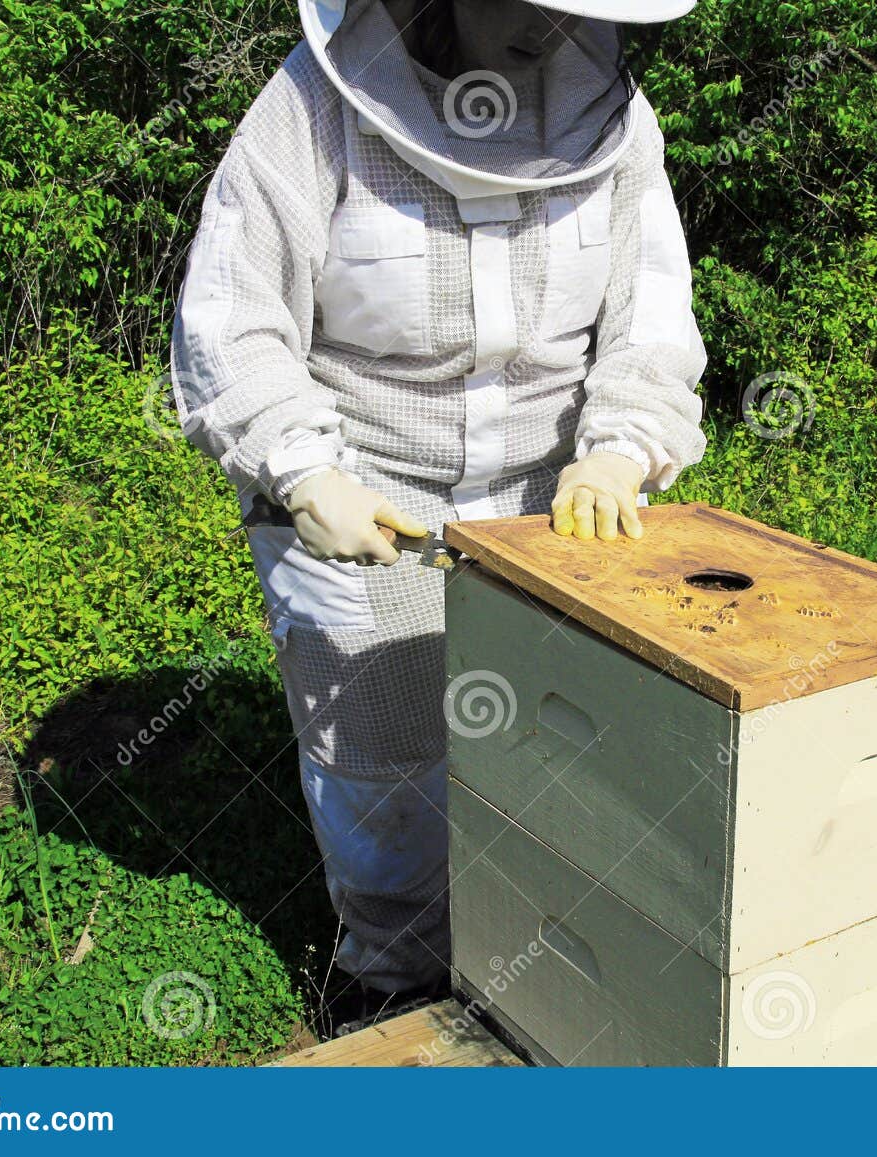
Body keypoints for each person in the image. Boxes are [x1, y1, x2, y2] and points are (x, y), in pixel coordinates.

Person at [169, 0, 707, 1027]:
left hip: (547, 506)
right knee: (382, 757)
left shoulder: (615, 118)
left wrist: (617, 448)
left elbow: (650, 311)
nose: (545, 31)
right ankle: (391, 977)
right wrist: (303, 470)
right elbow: (233, 319)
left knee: (555, 741)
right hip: (365, 500)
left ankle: (542, 956)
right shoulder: (307, 111)